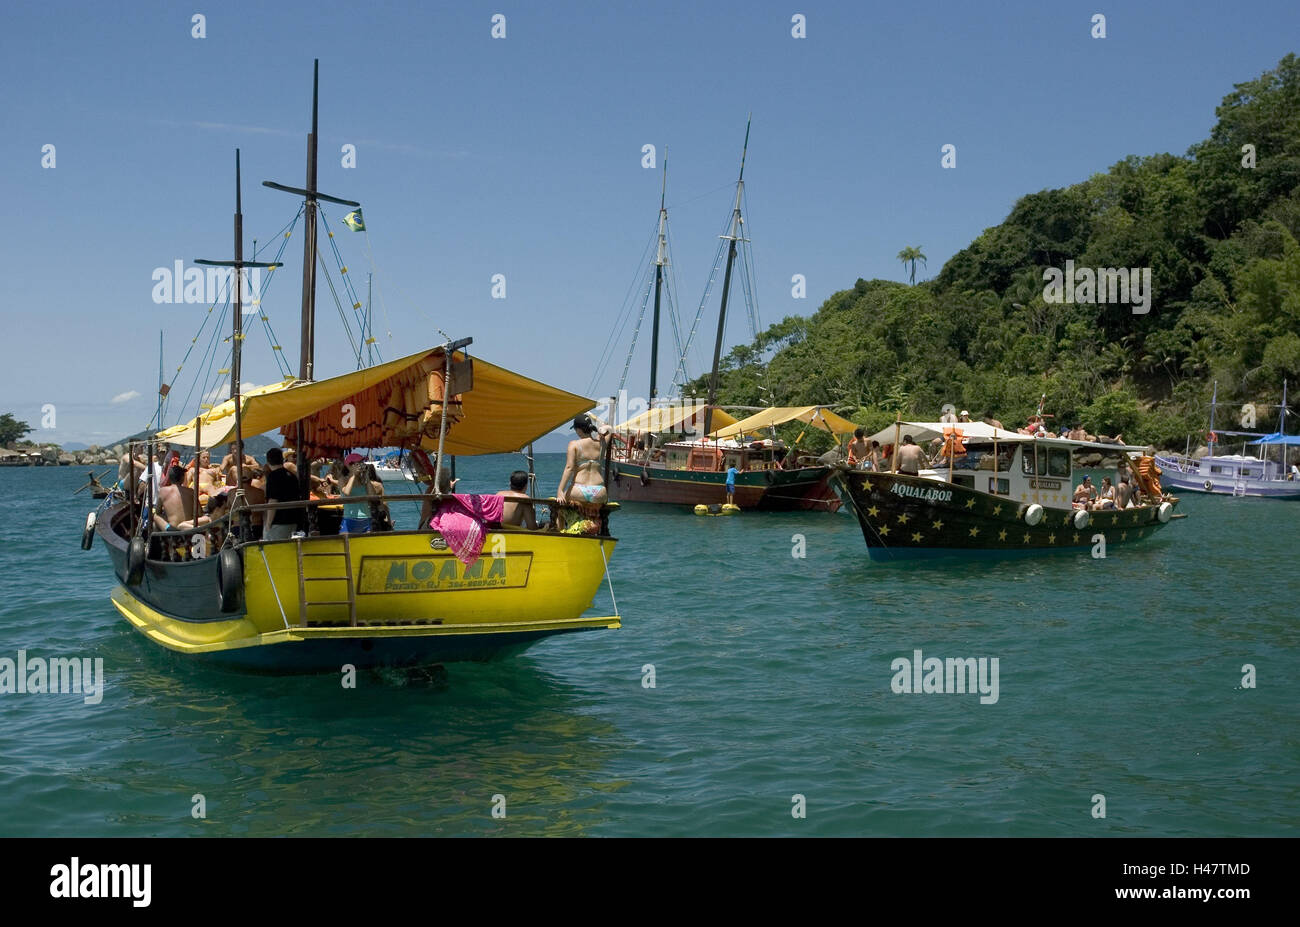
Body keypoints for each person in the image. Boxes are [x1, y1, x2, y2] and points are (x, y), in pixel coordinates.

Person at [556, 415, 608, 508]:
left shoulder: (574, 444)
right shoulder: (602, 443)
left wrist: (560, 491)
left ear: (579, 430)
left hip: (579, 489)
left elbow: (569, 468)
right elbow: (609, 429)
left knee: (559, 509)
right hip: (599, 491)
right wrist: (601, 431)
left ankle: (560, 522)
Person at [263, 447, 306, 540]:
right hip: (293, 520)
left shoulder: (272, 477)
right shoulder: (291, 476)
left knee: (273, 550)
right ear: (282, 459)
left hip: (279, 521)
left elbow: (273, 501)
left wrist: (268, 523)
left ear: (268, 461)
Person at [153, 464, 196, 530]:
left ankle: (167, 530)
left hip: (173, 528)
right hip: (188, 528)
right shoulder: (190, 491)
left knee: (156, 516)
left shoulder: (162, 491)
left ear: (169, 478)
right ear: (182, 477)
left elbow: (158, 511)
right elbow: (199, 512)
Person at [340, 453, 373, 534]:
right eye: (358, 464)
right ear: (349, 466)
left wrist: (367, 478)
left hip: (366, 518)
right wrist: (353, 475)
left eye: (362, 463)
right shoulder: (343, 480)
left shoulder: (363, 481)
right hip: (349, 518)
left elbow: (372, 496)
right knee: (345, 544)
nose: (361, 466)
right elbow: (347, 492)